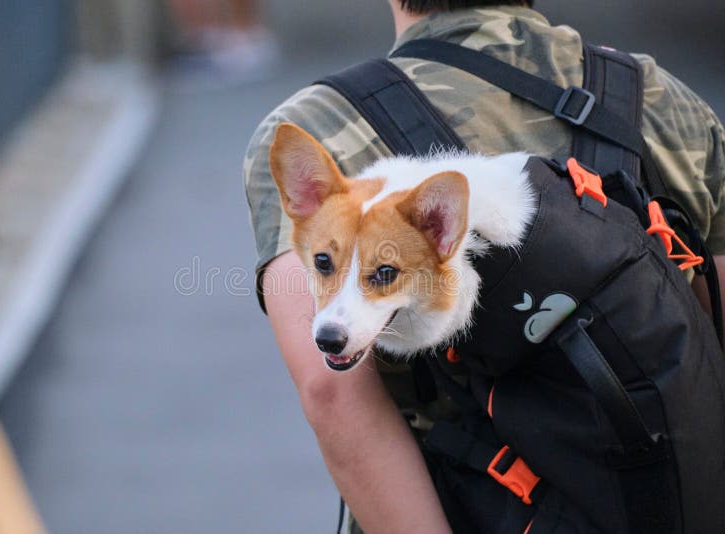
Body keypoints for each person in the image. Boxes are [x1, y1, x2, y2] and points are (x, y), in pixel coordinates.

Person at [243, 1, 725, 532]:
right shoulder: (661, 99)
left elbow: (332, 392)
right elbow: (710, 340)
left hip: (471, 505)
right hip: (667, 500)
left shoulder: (316, 125)